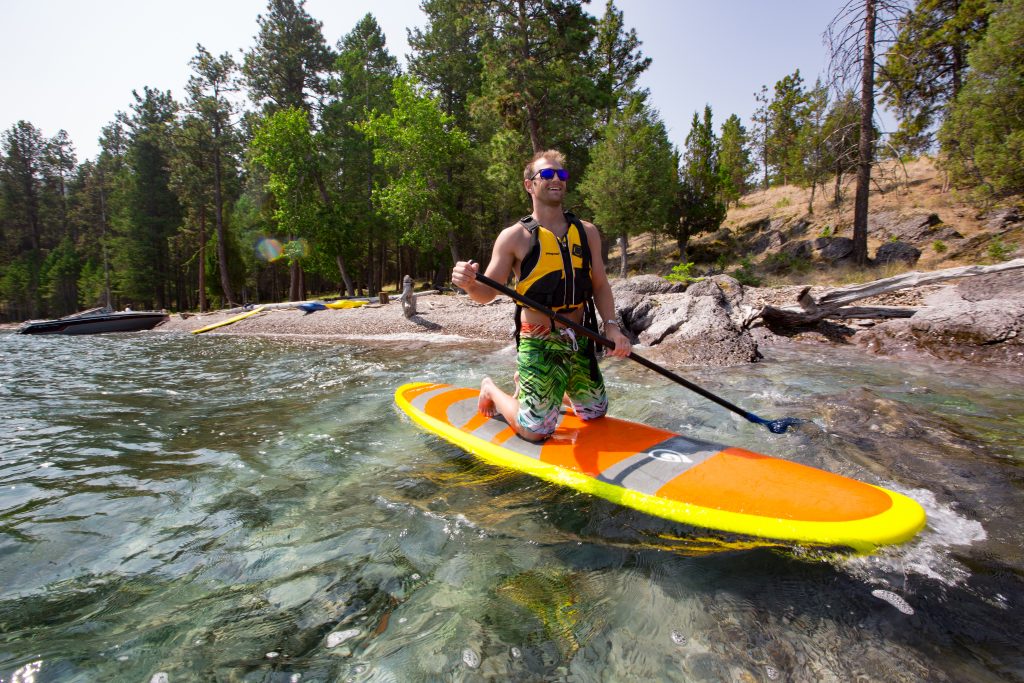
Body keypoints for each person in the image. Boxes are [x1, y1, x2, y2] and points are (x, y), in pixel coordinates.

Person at [451, 149, 631, 442]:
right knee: (535, 430)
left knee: (595, 412)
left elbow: (599, 284)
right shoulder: (515, 237)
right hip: (539, 339)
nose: (556, 179)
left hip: (580, 335)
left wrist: (611, 325)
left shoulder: (587, 232)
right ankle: (492, 390)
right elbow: (486, 293)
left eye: (561, 174)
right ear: (529, 185)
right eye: (546, 174)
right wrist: (469, 284)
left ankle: (536, 388)